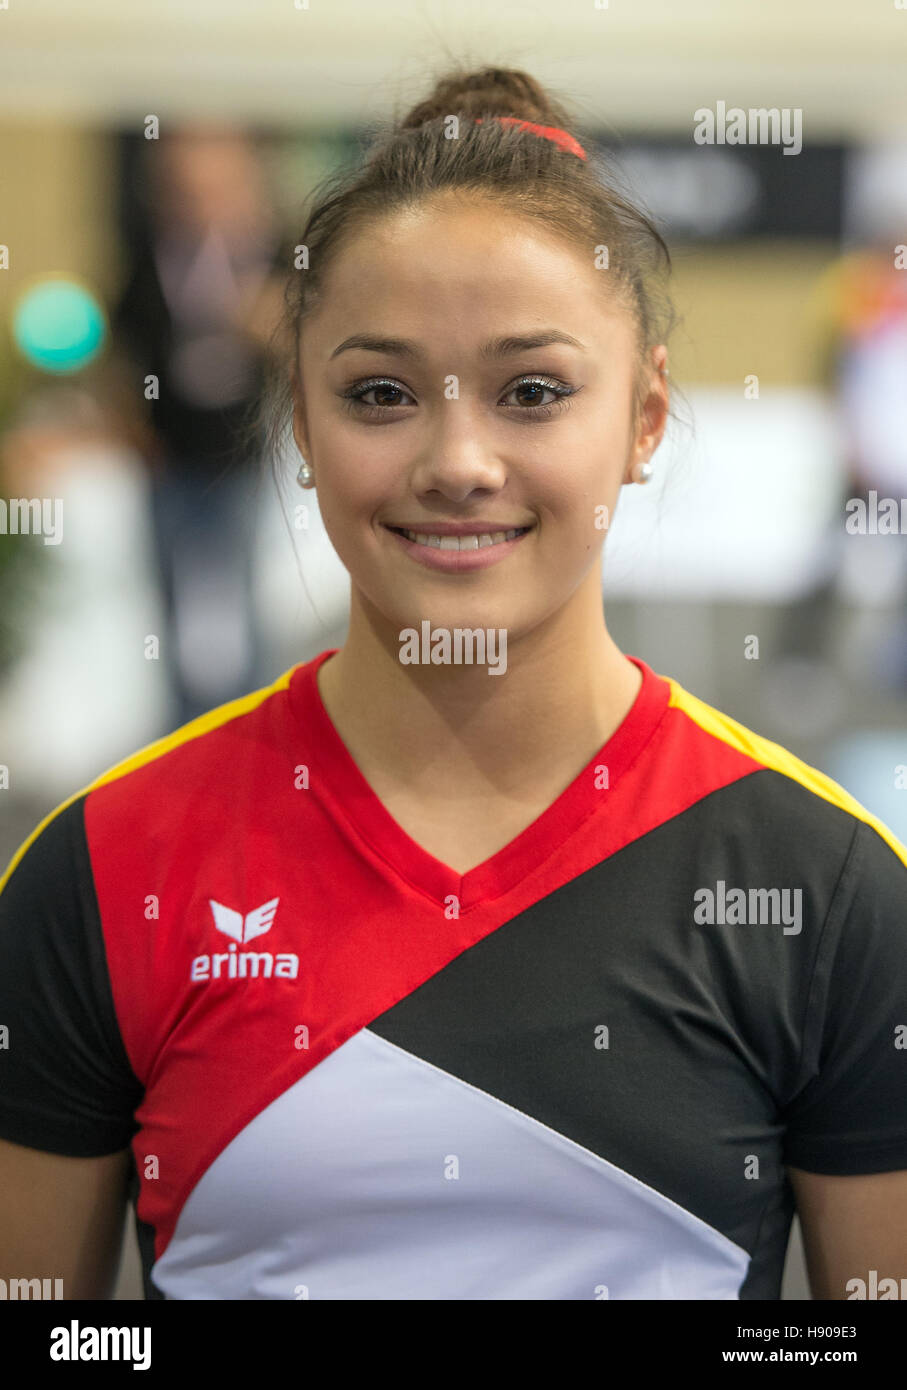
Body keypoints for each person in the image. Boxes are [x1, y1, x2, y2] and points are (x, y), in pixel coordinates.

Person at [0, 65, 905, 1302]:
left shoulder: (823, 884)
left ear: (645, 418)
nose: (459, 461)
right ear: (303, 428)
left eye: (533, 391)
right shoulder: (105, 866)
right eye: (379, 393)